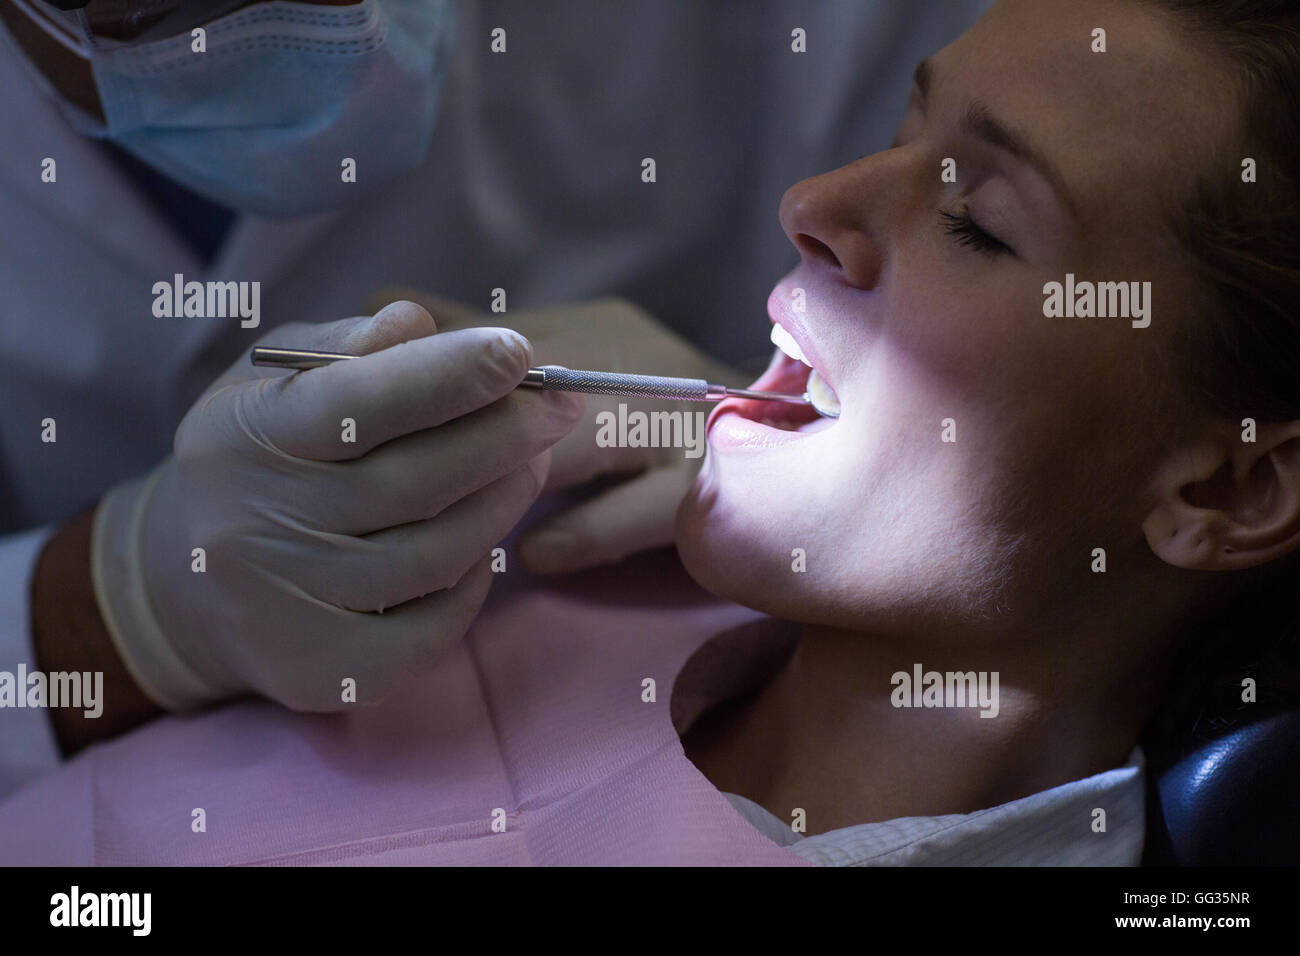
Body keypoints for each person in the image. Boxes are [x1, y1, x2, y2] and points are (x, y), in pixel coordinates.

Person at [4, 0, 1296, 866]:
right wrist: (119, 605)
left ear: (1235, 486)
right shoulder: (525, 599)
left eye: (980, 223)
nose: (810, 202)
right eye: (896, 136)